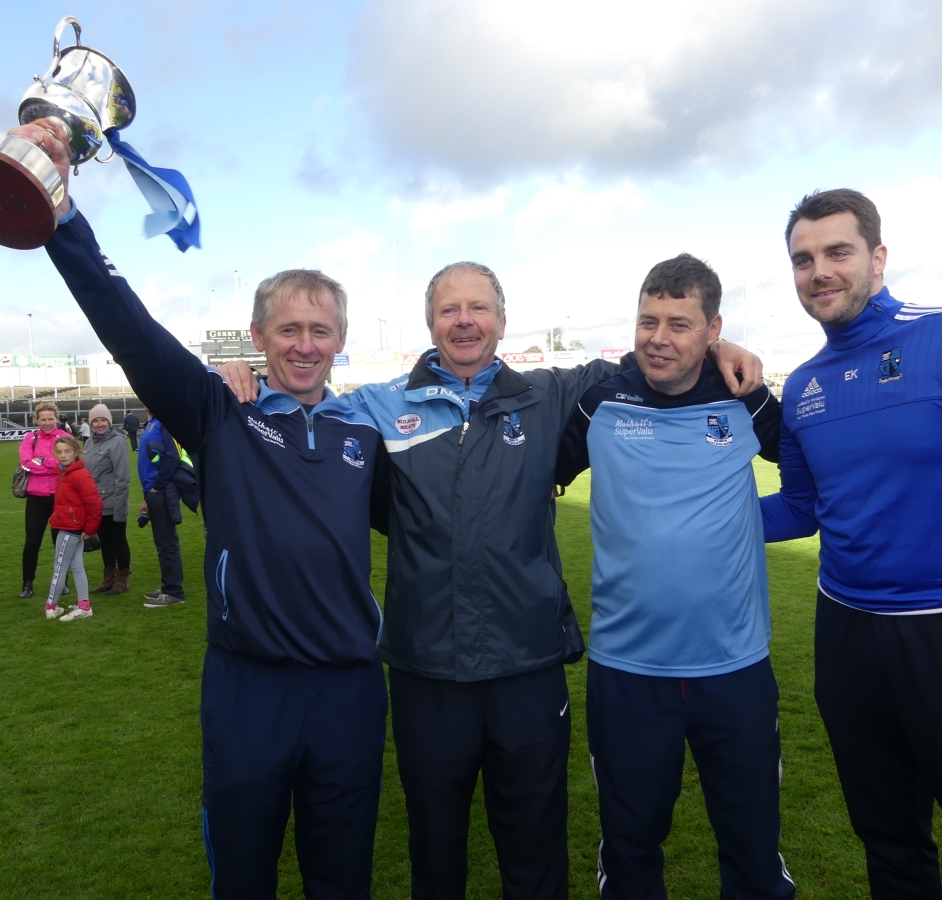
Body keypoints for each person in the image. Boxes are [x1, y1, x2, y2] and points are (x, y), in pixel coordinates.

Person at [219, 261, 763, 900]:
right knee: (435, 851)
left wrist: (721, 347)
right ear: (430, 323)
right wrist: (240, 374)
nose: (464, 322)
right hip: (426, 671)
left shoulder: (550, 394)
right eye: (449, 310)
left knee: (535, 849)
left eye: (478, 308)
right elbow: (301, 403)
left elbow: (657, 358)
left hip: (527, 667)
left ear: (502, 321)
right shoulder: (376, 406)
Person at [13, 116, 393, 898]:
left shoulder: (366, 432)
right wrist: (63, 218)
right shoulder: (220, 412)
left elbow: (444, 496)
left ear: (341, 339)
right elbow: (131, 330)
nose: (305, 344)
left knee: (343, 878)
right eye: (288, 329)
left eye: (320, 330)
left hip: (350, 691)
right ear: (258, 335)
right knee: (243, 877)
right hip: (248, 688)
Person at [761, 188, 942, 897]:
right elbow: (801, 507)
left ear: (878, 257)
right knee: (889, 847)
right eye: (803, 259)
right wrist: (684, 520)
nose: (819, 271)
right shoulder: (804, 386)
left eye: (837, 252)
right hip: (848, 638)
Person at [556, 254, 793, 899]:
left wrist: (740, 523)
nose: (658, 338)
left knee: (753, 849)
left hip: (735, 668)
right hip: (627, 670)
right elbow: (537, 478)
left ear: (713, 330)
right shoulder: (600, 403)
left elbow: (814, 480)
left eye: (680, 325)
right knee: (631, 849)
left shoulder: (746, 399)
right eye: (648, 321)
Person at [43, 434, 102, 621]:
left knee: (59, 567)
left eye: (67, 451)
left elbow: (95, 503)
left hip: (71, 528)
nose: (63, 455)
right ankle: (84, 605)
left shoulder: (79, 475)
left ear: (76, 452)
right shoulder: (64, 473)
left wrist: (90, 529)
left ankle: (51, 606)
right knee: (77, 566)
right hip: (70, 526)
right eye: (59, 452)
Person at [17, 402, 69, 598]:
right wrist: (53, 465)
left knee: (60, 543)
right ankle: (27, 583)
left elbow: (69, 462)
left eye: (50, 419)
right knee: (32, 542)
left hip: (60, 496)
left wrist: (42, 461)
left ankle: (63, 582)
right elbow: (26, 463)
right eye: (43, 419)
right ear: (36, 420)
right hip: (36, 498)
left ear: (57, 418)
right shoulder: (30, 438)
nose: (47, 423)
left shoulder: (65, 437)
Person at [136, 411, 186, 608]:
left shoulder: (166, 420)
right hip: (152, 491)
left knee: (167, 542)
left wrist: (157, 486)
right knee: (162, 542)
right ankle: (168, 586)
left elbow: (174, 456)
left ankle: (174, 592)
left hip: (161, 491)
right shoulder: (152, 422)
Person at [82, 404, 131, 595]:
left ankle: (122, 580)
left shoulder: (117, 442)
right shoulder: (89, 443)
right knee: (105, 542)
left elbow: (122, 477)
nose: (99, 424)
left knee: (119, 541)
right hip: (96, 503)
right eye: (95, 421)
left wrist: (120, 507)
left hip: (113, 501)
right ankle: (109, 579)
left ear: (109, 422)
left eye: (103, 420)